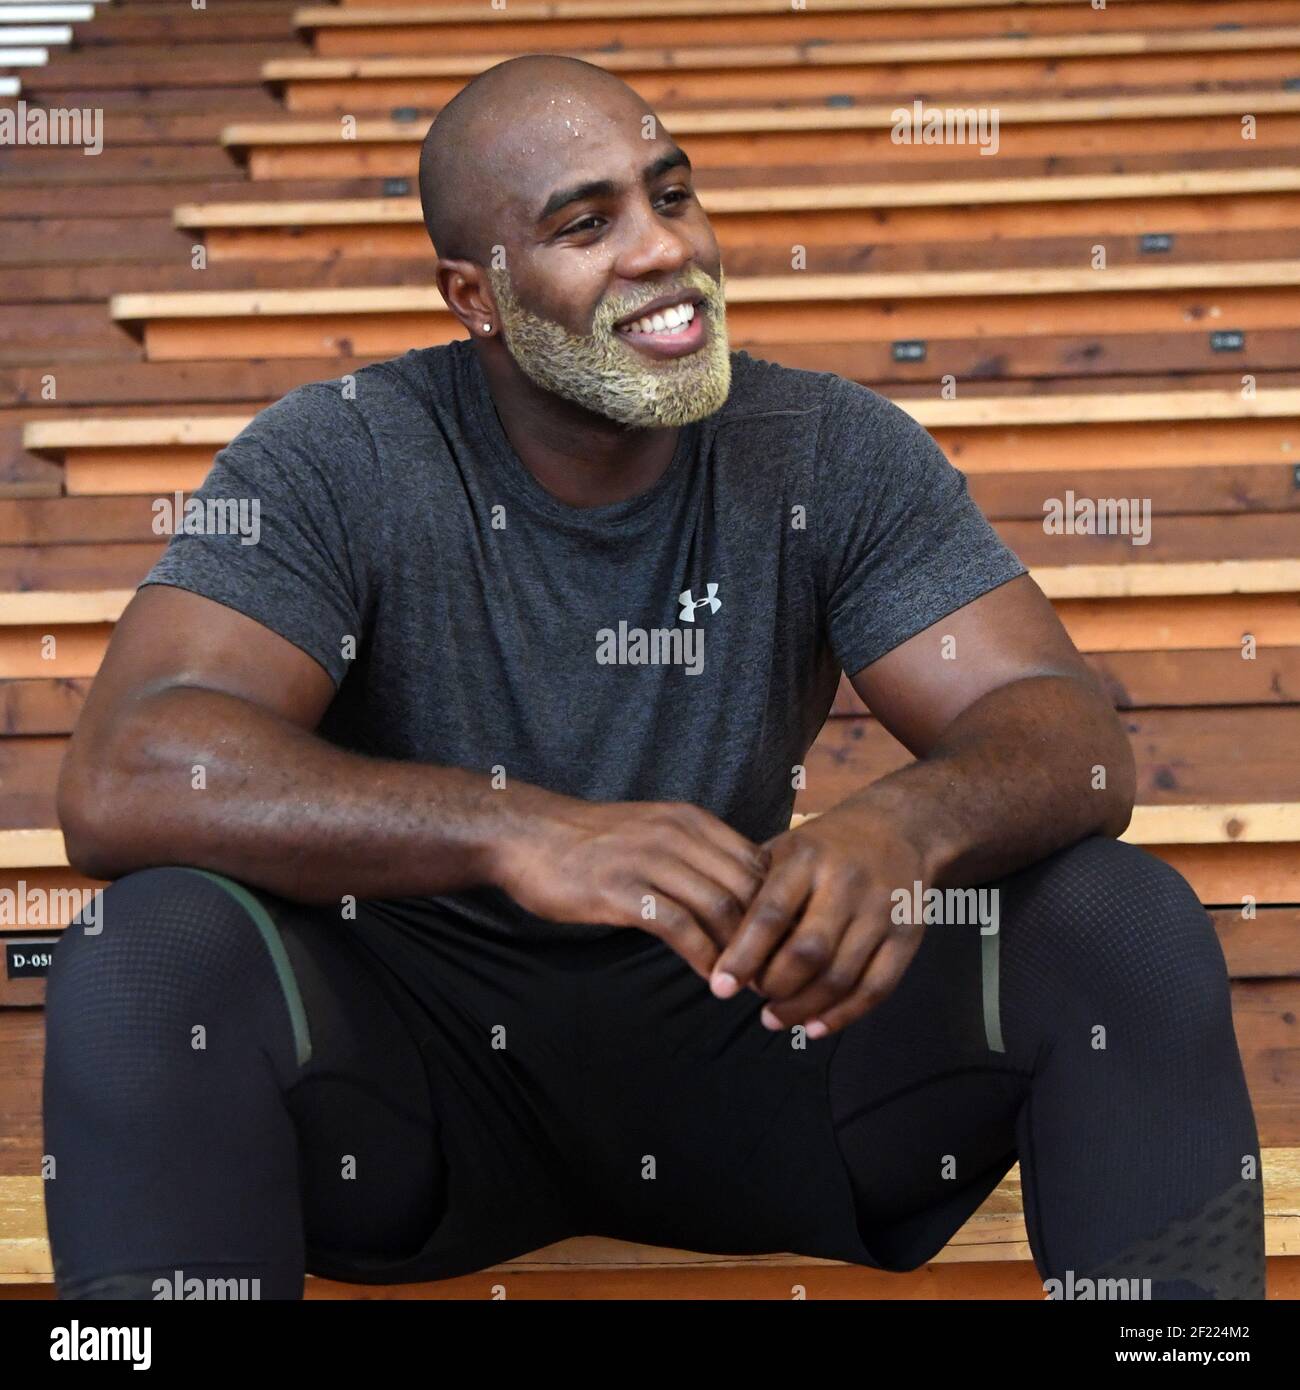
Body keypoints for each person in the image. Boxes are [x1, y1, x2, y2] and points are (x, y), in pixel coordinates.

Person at [43, 54, 1264, 1300]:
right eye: (587, 224)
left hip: (751, 1036)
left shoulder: (824, 448)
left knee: (1119, 913)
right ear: (476, 294)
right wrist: (509, 827)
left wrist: (908, 826)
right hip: (413, 1079)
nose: (658, 250)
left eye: (670, 196)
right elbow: (129, 768)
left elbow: (1070, 736)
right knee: (144, 951)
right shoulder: (339, 452)